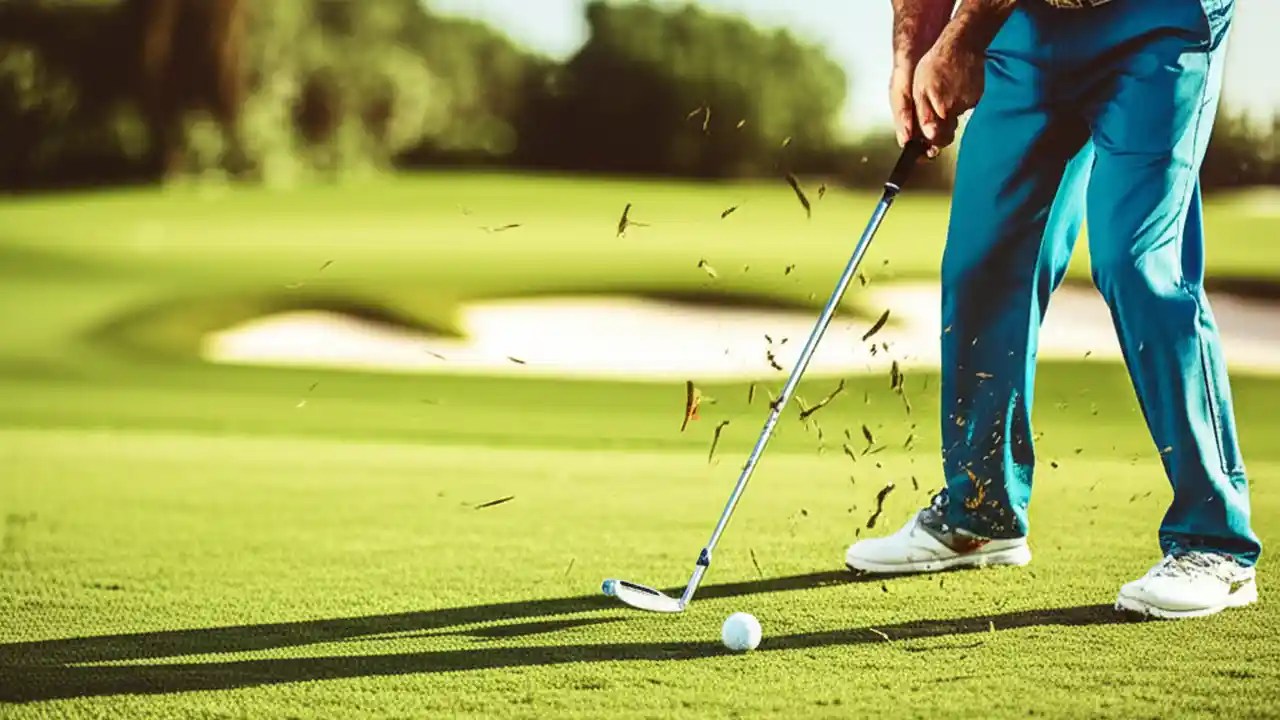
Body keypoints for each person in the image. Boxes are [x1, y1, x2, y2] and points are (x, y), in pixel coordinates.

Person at [844, 0, 1261, 619]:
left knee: (1136, 260)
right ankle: (981, 512)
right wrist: (912, 55)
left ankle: (1216, 543)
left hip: (1160, 20)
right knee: (982, 261)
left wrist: (961, 38)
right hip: (1029, 28)